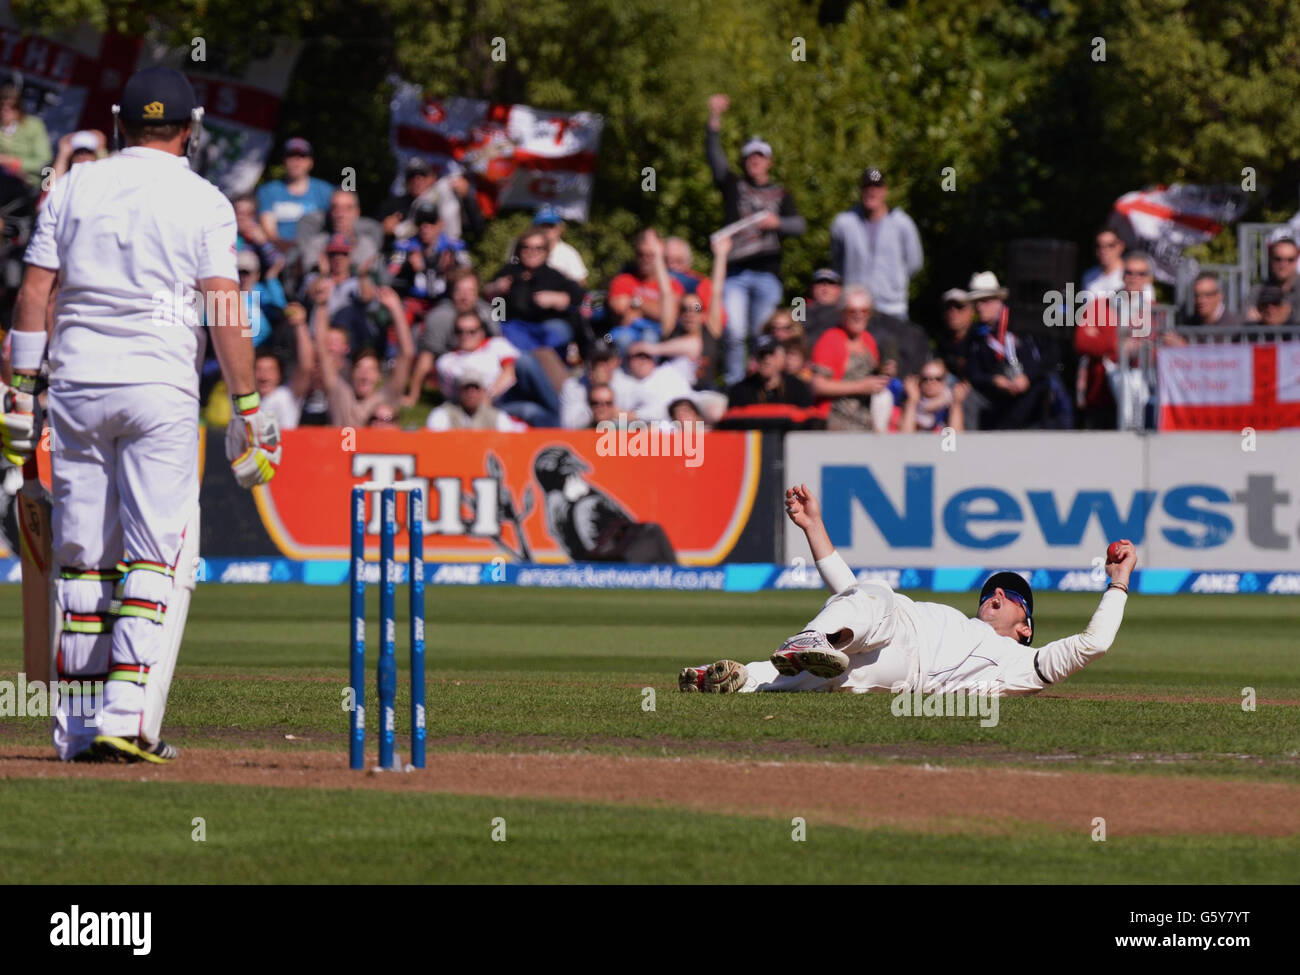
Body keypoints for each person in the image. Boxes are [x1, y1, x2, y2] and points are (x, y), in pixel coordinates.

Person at [6, 66, 282, 763]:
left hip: (76, 383)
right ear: (189, 131)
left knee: (84, 559)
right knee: (156, 551)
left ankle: (76, 730)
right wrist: (247, 405)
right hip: (159, 386)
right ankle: (126, 714)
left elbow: (36, 291)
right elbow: (224, 307)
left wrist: (18, 393)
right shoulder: (205, 199)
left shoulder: (70, 186)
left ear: (121, 122)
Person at [678, 483, 1135, 694]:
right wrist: (814, 528)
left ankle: (813, 642)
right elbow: (849, 598)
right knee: (802, 672)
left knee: (876, 594)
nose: (995, 595)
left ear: (1025, 628)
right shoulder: (954, 621)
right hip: (871, 664)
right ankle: (725, 680)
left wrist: (1118, 582)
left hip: (906, 663)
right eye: (990, 591)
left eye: (1011, 596)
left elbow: (1093, 644)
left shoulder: (1021, 663)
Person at [705, 93, 806, 384]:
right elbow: (714, 157)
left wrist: (778, 222)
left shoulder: (781, 194)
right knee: (734, 332)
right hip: (735, 273)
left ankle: (763, 383)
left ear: (769, 162)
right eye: (750, 157)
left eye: (760, 157)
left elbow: (800, 226)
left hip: (767, 273)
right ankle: (737, 387)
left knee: (762, 335)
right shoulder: (734, 186)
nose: (755, 162)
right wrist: (714, 119)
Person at [829, 167, 923, 319]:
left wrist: (893, 283)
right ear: (861, 190)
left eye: (877, 187)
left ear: (885, 190)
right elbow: (836, 262)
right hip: (855, 309)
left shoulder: (902, 223)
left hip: (892, 308)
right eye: (867, 187)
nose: (872, 192)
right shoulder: (844, 223)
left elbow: (915, 263)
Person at [484, 227, 584, 354]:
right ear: (519, 250)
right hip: (513, 327)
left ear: (546, 251)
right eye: (526, 247)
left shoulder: (554, 276)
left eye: (538, 248)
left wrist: (560, 298)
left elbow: (580, 295)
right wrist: (494, 289)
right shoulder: (508, 272)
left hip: (545, 329)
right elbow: (487, 297)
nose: (532, 252)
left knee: (558, 329)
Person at [808, 286, 894, 432]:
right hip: (836, 424)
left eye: (864, 311)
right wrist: (860, 386)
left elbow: (871, 381)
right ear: (842, 313)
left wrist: (884, 372)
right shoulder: (830, 339)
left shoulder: (869, 340)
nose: (858, 315)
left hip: (866, 425)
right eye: (852, 311)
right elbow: (817, 385)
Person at [256, 137, 334, 253]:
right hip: (277, 250)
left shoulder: (325, 191)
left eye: (302, 156)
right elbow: (269, 230)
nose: (296, 161)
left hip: (315, 251)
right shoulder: (268, 190)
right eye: (291, 156)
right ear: (284, 160)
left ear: (310, 162)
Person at [426, 370, 525, 431]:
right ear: (458, 391)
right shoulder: (443, 413)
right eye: (466, 388)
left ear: (483, 392)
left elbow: (509, 439)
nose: (471, 393)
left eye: (475, 388)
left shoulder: (496, 416)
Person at [0, 83, 52, 188]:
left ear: (20, 108)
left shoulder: (33, 126)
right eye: (2, 105)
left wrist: (14, 163)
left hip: (25, 181)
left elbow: (44, 161)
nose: (5, 110)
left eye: (12, 107)